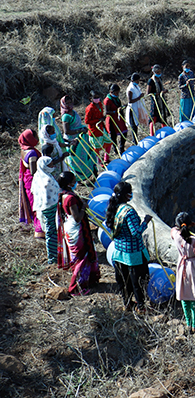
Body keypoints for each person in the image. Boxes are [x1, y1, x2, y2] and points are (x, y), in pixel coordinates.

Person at [107, 181, 151, 311]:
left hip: (119, 251)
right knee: (138, 281)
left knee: (124, 281)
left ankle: (127, 303)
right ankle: (141, 306)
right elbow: (136, 233)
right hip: (133, 254)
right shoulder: (129, 212)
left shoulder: (114, 208)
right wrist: (145, 222)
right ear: (127, 195)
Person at [57, 171, 100, 295]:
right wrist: (83, 207)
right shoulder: (70, 198)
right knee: (81, 258)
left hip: (70, 228)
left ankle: (88, 280)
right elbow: (77, 217)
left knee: (78, 257)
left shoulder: (63, 194)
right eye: (74, 181)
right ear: (69, 184)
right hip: (76, 230)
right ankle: (76, 287)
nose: (76, 182)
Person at [172, 212, 195, 332]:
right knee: (194, 295)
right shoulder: (194, 239)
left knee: (184, 294)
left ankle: (188, 322)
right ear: (191, 224)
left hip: (182, 265)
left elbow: (173, 230)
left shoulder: (175, 235)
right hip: (194, 266)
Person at [32, 156, 61, 263]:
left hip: (44, 207)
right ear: (44, 166)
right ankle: (52, 258)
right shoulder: (47, 180)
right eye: (50, 165)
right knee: (51, 233)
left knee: (51, 231)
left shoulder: (38, 175)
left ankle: (56, 253)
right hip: (50, 208)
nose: (52, 166)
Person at [60, 95, 95, 182]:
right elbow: (67, 131)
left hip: (80, 139)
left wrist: (83, 129)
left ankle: (90, 174)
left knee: (86, 156)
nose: (69, 104)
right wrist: (79, 130)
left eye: (70, 102)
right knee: (76, 161)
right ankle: (78, 179)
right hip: (73, 142)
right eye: (67, 103)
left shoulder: (74, 112)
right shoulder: (65, 116)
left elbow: (78, 125)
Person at [18, 129, 43, 238]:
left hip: (26, 180)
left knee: (33, 204)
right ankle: (39, 231)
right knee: (38, 205)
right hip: (33, 182)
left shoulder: (24, 149)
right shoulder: (32, 153)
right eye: (35, 137)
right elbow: (34, 172)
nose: (37, 139)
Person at [85, 90, 111, 163]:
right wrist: (98, 120)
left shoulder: (99, 104)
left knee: (109, 142)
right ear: (91, 98)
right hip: (95, 131)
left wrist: (103, 118)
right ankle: (99, 163)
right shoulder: (89, 108)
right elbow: (87, 121)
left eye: (98, 97)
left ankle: (106, 159)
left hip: (102, 128)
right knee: (96, 149)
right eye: (95, 97)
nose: (97, 99)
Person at [38, 107, 65, 173]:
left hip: (59, 158)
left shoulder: (53, 126)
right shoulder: (45, 131)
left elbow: (57, 141)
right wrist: (61, 158)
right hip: (54, 168)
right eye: (52, 115)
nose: (54, 117)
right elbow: (49, 161)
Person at [104, 84, 127, 153]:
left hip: (118, 119)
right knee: (114, 136)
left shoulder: (116, 99)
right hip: (112, 120)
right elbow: (107, 112)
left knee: (124, 132)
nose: (117, 94)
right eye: (116, 93)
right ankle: (115, 150)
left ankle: (121, 147)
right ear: (111, 92)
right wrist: (115, 111)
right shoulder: (107, 100)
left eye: (118, 93)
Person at [146, 65, 167, 136]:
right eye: (157, 72)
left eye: (159, 72)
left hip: (161, 101)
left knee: (163, 117)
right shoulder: (151, 81)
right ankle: (152, 134)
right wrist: (157, 94)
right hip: (155, 102)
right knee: (153, 118)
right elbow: (148, 93)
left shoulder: (160, 79)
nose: (159, 73)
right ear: (153, 72)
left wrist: (164, 91)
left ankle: (165, 131)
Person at [125, 73, 147, 141]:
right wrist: (139, 97)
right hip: (132, 109)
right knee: (133, 126)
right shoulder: (130, 89)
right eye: (137, 81)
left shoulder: (136, 87)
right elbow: (130, 100)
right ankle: (135, 140)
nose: (138, 82)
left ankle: (136, 139)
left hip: (137, 107)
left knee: (136, 125)